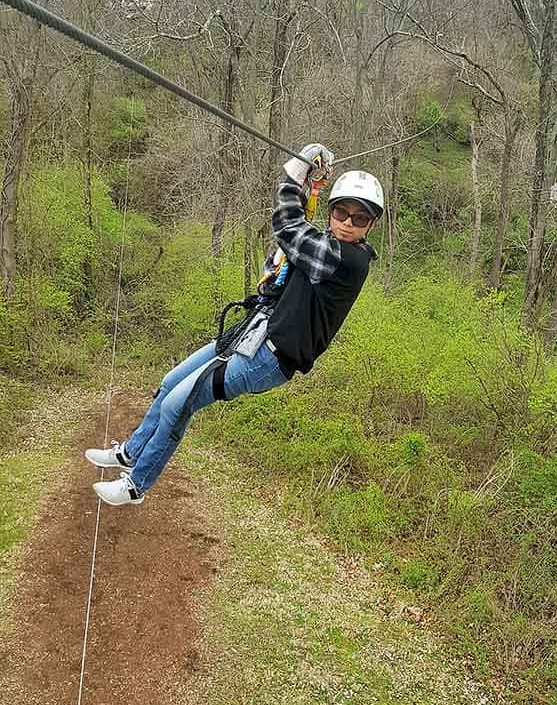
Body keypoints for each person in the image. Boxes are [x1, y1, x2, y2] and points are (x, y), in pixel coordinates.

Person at [86, 144, 384, 506]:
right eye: (341, 212)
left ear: (371, 225)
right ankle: (130, 452)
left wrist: (295, 174)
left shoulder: (348, 259)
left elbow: (288, 225)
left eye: (359, 218)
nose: (348, 223)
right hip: (253, 332)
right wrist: (276, 268)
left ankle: (136, 485)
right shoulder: (324, 245)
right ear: (332, 211)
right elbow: (289, 257)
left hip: (269, 358)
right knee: (169, 384)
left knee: (179, 404)